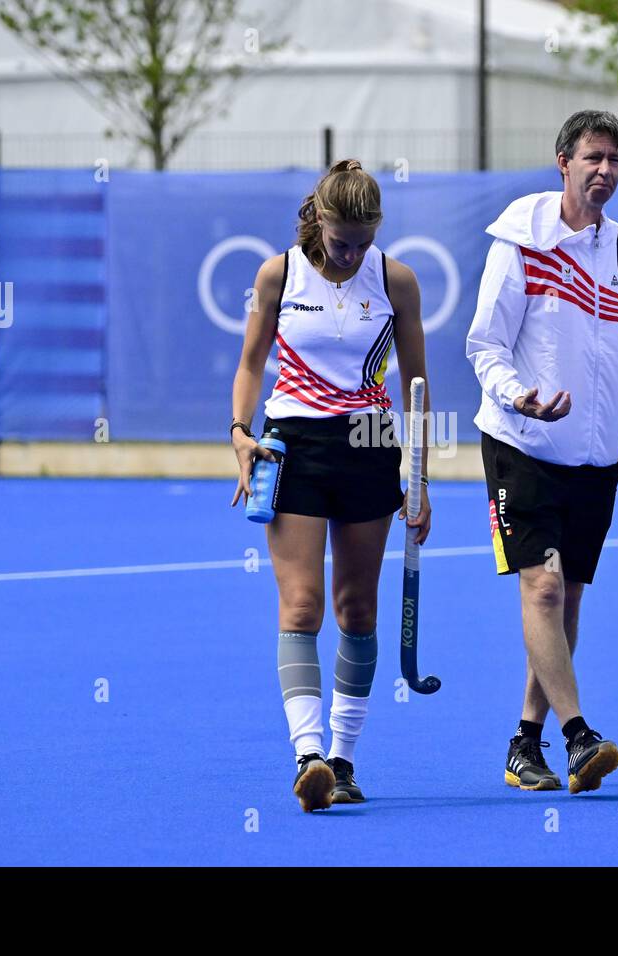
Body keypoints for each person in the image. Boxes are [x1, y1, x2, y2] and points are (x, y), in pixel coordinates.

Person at [466, 110, 618, 796]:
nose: (605, 170)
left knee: (567, 599)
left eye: (615, 159)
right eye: (593, 157)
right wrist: (517, 395)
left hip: (593, 459)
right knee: (544, 587)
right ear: (563, 161)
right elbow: (484, 345)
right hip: (520, 445)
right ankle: (579, 735)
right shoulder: (520, 240)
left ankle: (524, 743)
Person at [229, 160, 431, 812]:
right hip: (293, 447)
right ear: (318, 219)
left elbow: (417, 389)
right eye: (343, 240)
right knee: (301, 608)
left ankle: (343, 762)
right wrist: (238, 430)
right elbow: (251, 363)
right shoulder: (276, 274)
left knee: (358, 611)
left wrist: (420, 478)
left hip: (371, 447)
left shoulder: (397, 281)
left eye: (364, 241)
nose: (352, 253)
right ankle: (307, 755)